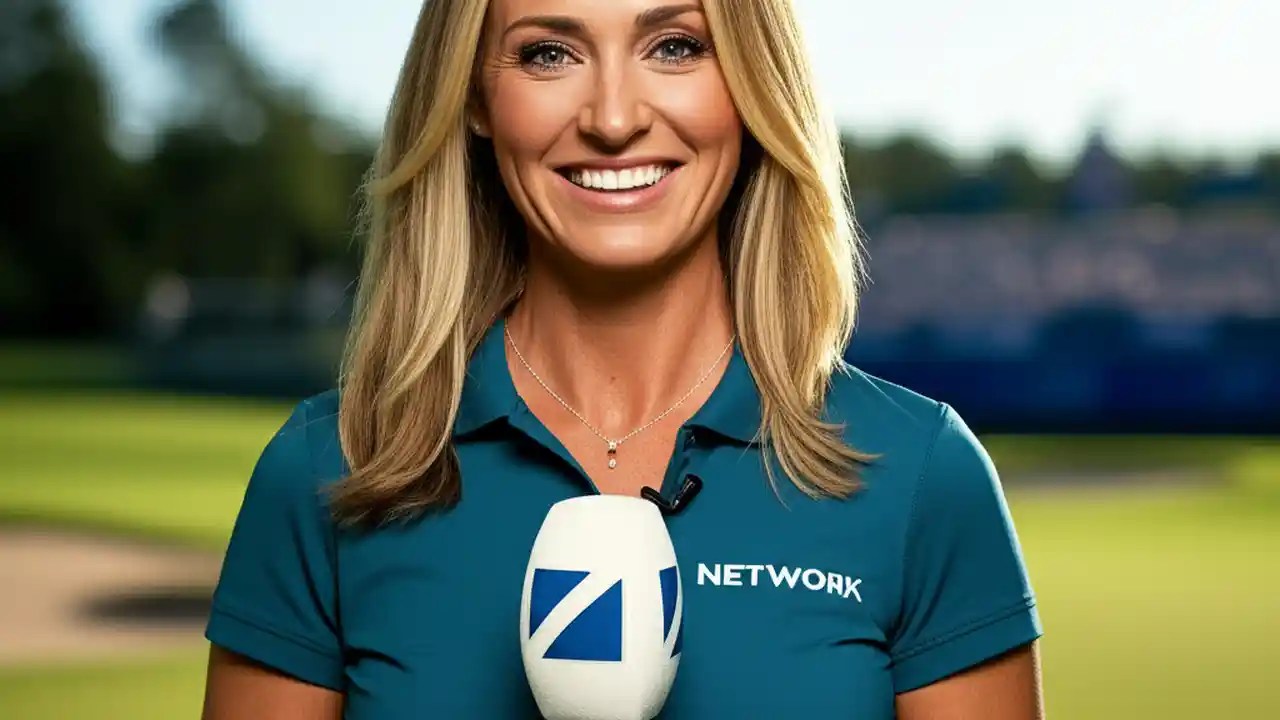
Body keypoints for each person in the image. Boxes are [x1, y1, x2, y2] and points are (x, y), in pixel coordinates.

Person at [201, 0, 1045, 717]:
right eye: (549, 53)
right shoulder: (328, 471)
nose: (612, 119)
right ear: (474, 98)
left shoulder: (921, 475)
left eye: (674, 46)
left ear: (753, 85)